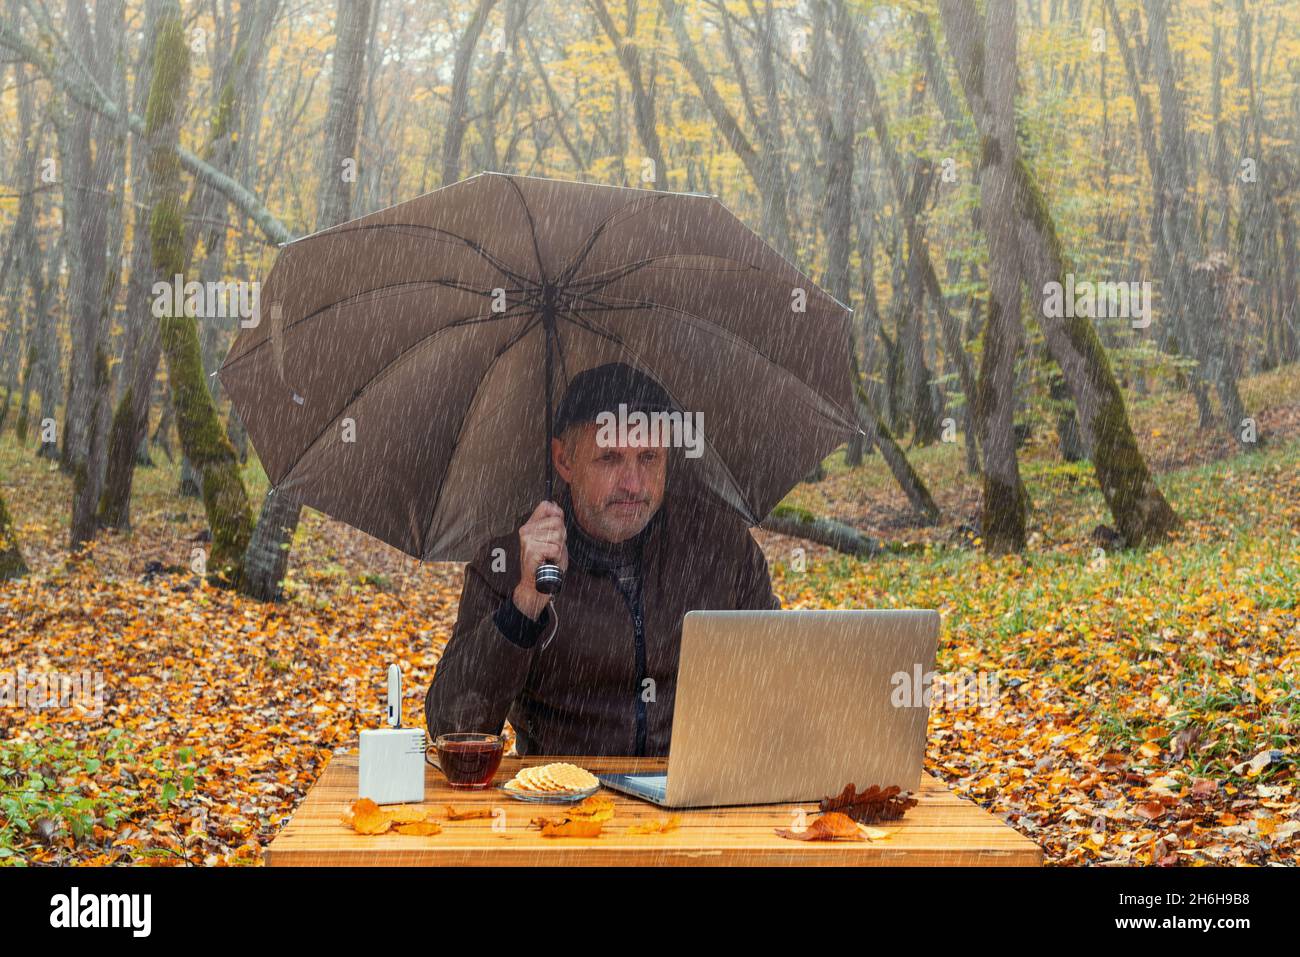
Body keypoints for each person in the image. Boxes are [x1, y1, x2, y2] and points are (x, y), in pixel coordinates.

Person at [424, 362, 781, 756]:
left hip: (695, 785)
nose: (633, 485)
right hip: (563, 788)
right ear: (564, 460)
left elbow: (780, 681)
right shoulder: (509, 562)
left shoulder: (722, 548)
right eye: (610, 458)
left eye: (648, 457)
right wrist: (525, 602)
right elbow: (453, 727)